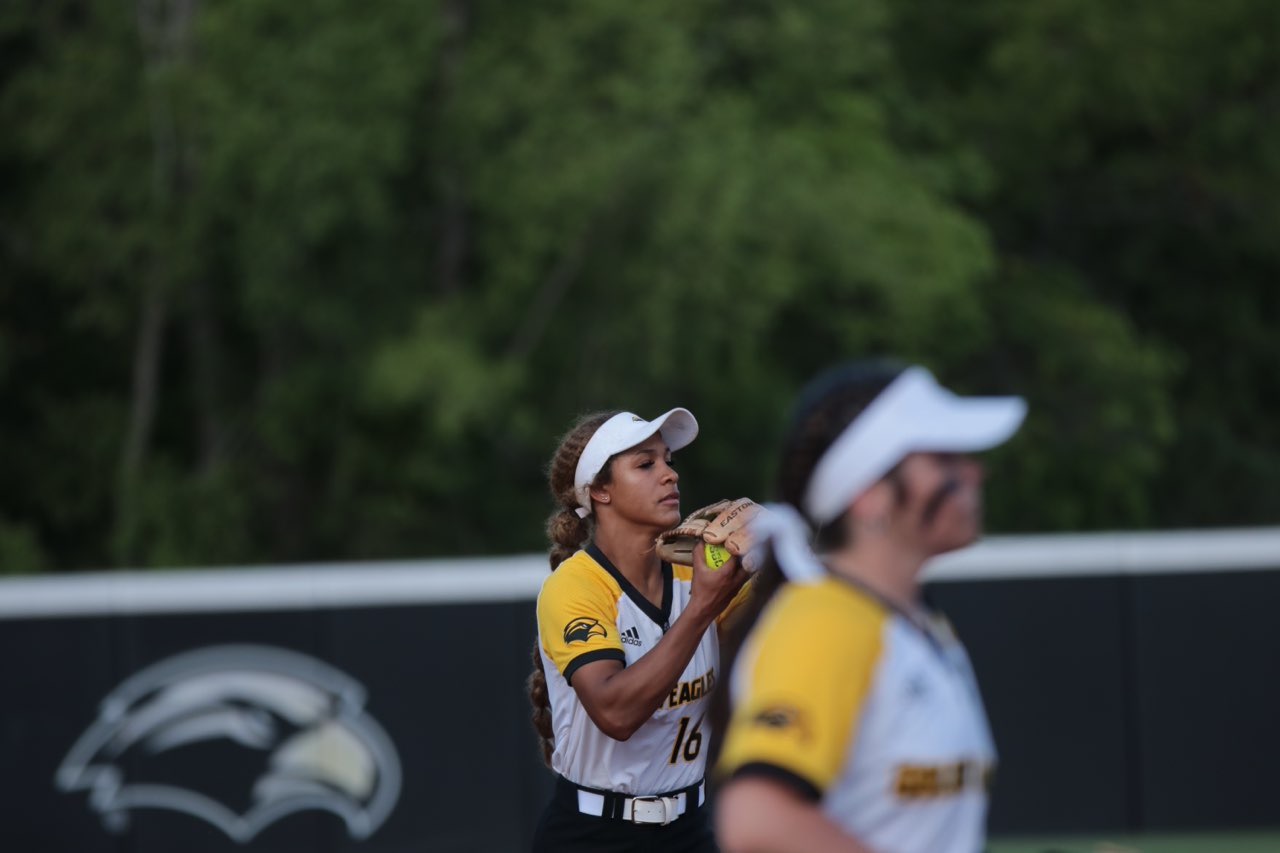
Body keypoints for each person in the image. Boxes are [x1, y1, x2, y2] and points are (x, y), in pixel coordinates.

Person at [711, 361, 1027, 853]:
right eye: (943, 458)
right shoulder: (826, 622)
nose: (971, 471)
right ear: (869, 497)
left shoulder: (914, 623)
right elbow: (758, 821)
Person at [528, 407, 754, 853]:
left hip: (691, 829)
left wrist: (782, 564)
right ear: (600, 492)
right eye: (645, 464)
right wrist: (703, 608)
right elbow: (616, 714)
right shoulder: (576, 586)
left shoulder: (697, 575)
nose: (669, 475)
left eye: (669, 460)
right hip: (596, 834)